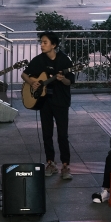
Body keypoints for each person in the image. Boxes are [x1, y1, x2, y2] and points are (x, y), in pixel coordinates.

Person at [22, 32, 76, 180]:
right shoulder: (38, 60)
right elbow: (24, 75)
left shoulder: (64, 60)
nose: (42, 45)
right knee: (47, 134)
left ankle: (65, 165)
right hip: (44, 102)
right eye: (41, 42)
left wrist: (62, 78)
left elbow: (69, 82)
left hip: (61, 101)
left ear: (54, 45)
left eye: (45, 42)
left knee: (62, 135)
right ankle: (50, 163)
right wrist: (32, 82)